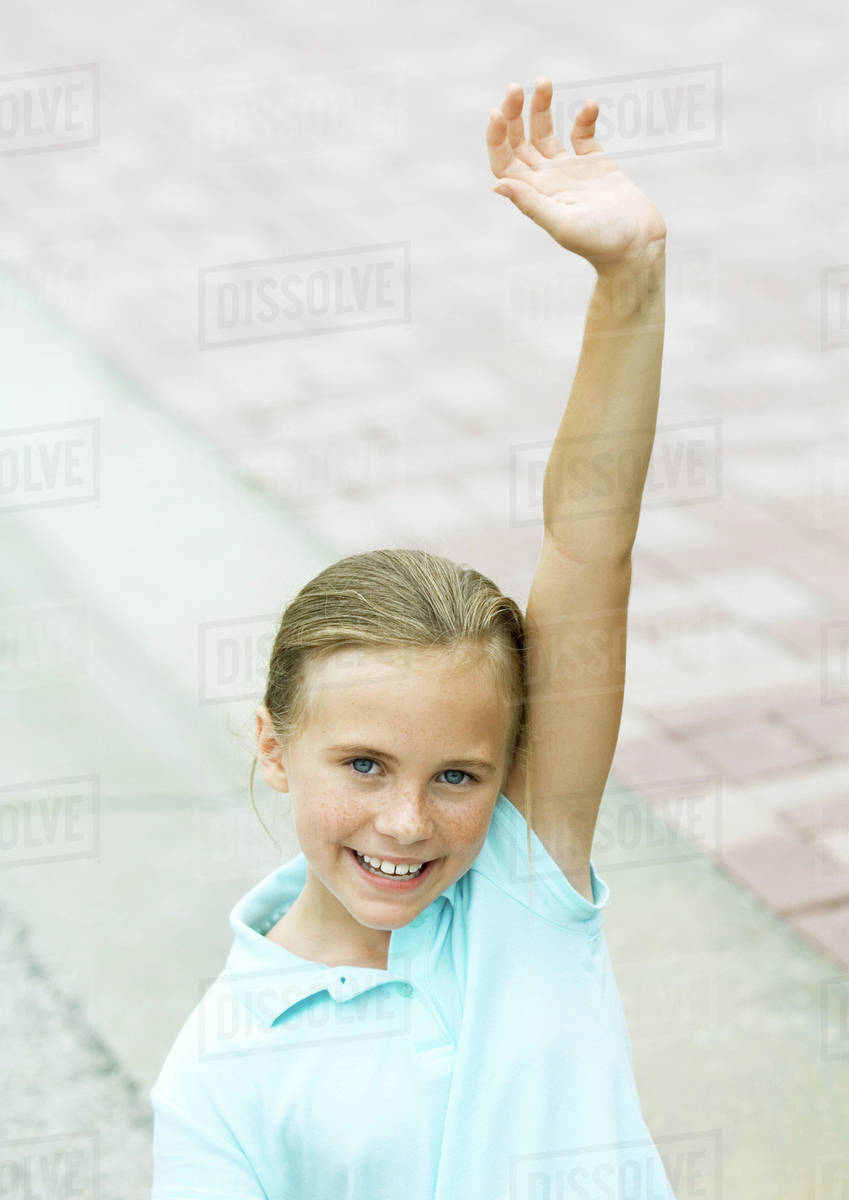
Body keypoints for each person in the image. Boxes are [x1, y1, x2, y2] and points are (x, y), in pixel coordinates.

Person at [149, 76, 676, 1199]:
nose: (408, 821)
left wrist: (629, 279)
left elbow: (589, 547)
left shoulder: (521, 882)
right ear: (274, 744)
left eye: (459, 774)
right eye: (365, 764)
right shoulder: (218, 1076)